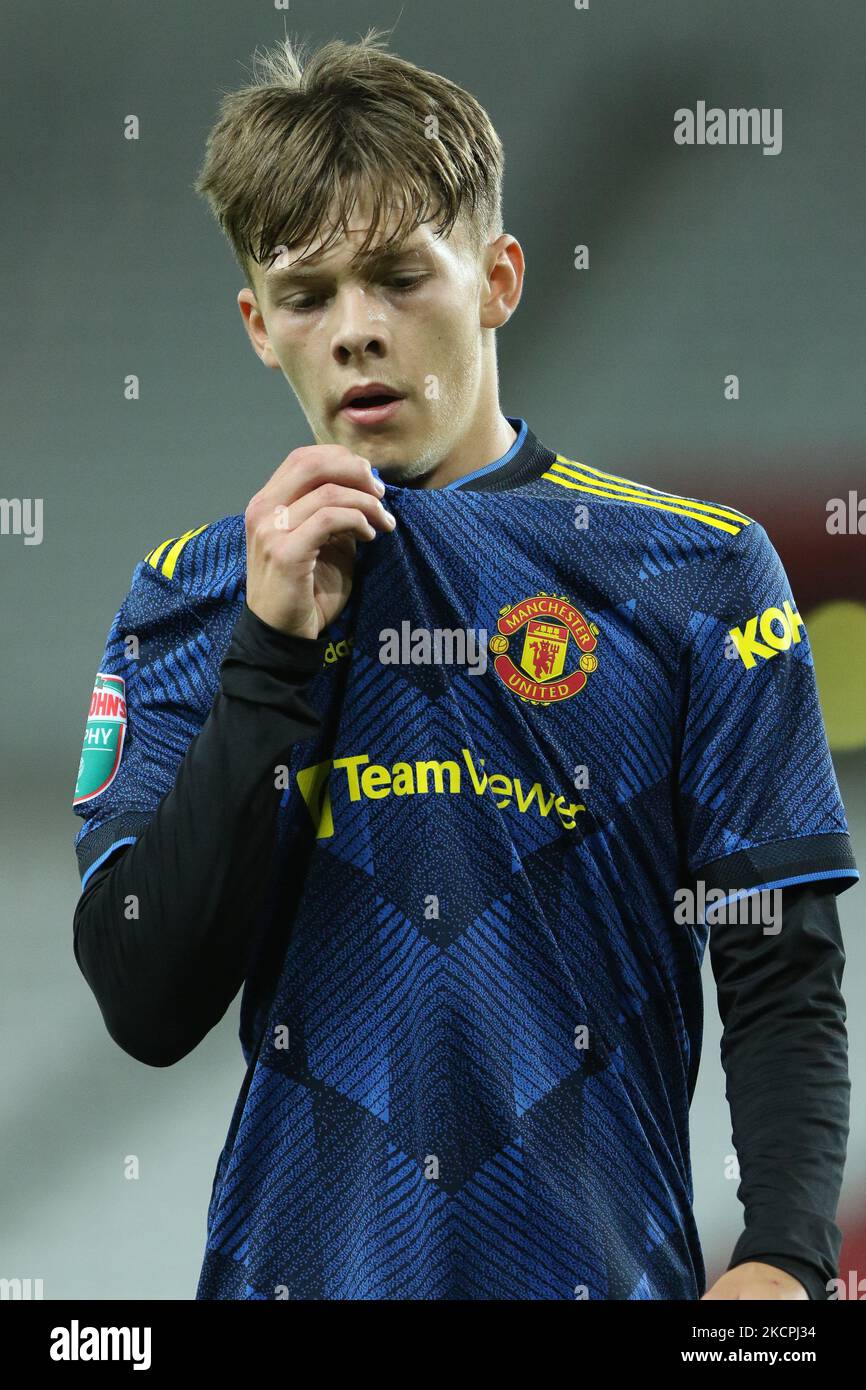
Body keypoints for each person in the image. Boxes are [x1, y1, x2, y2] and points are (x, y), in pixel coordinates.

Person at [71, 29, 858, 1301]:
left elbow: (775, 967)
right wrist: (270, 655)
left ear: (496, 279)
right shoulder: (191, 595)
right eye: (308, 295)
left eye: (397, 276)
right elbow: (146, 1000)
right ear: (256, 327)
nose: (356, 332)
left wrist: (780, 1260)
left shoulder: (696, 572)